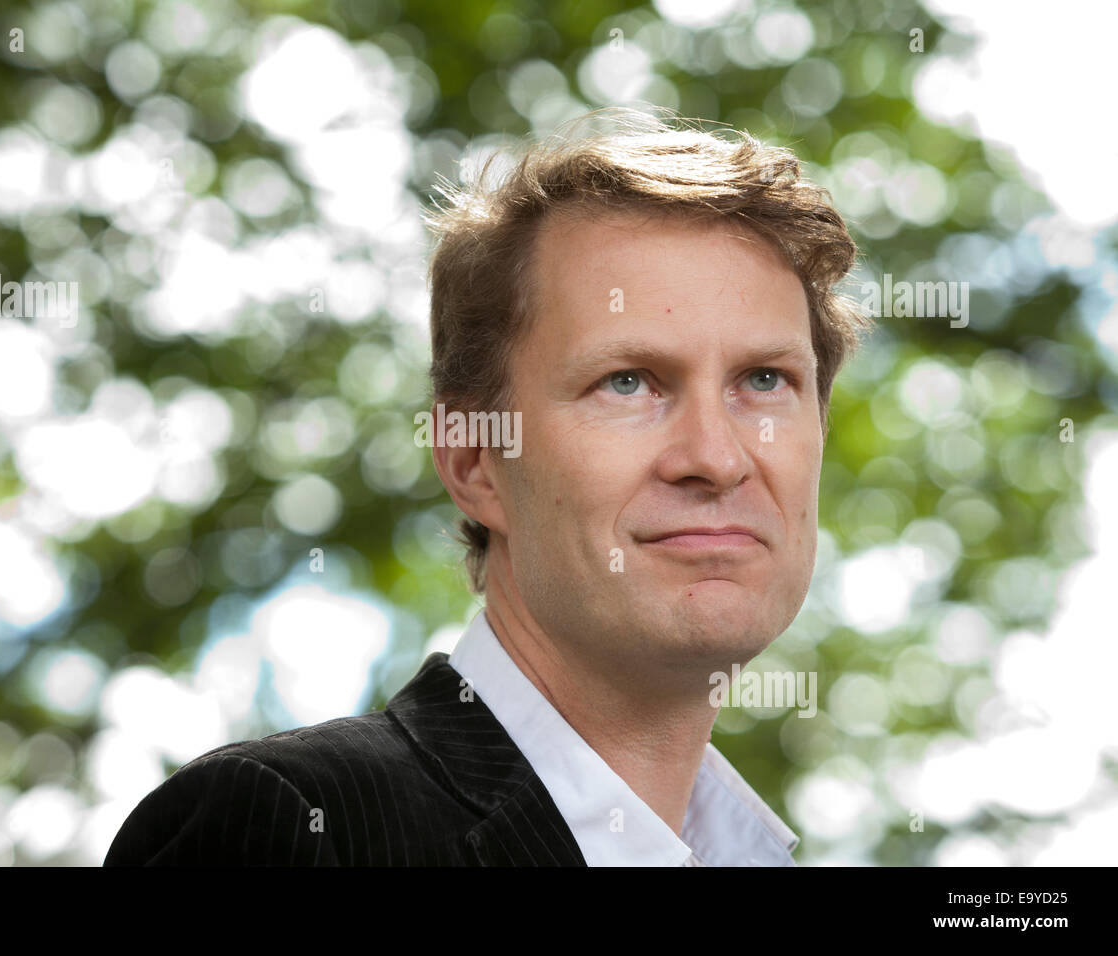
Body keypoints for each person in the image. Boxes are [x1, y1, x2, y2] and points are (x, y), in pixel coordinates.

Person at [104, 109, 872, 866]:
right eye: (628, 382)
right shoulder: (291, 826)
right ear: (474, 460)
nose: (717, 456)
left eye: (765, 380)